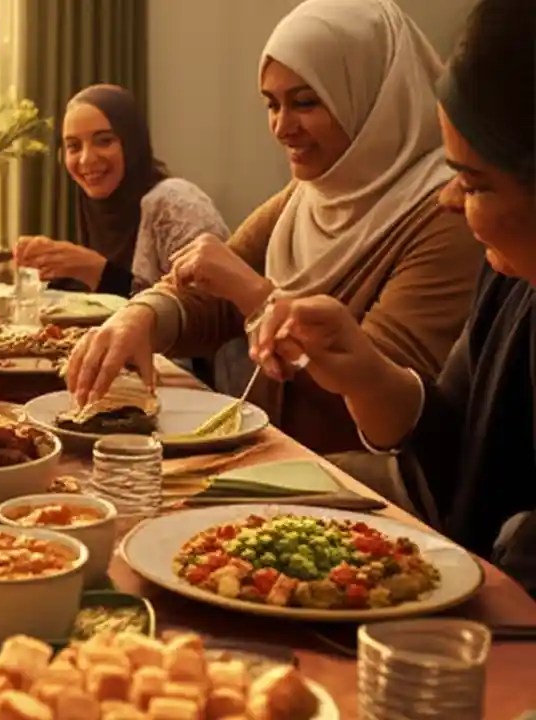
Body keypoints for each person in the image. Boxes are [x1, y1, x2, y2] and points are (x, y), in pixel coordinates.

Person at [66, 0, 483, 457]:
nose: (283, 127)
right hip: (279, 465)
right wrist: (139, 316)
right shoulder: (310, 195)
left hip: (366, 494)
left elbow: (388, 401)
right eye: (272, 104)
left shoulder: (449, 212)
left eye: (304, 102)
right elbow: (206, 286)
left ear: (373, 95)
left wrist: (256, 298)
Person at [248, 0, 535, 594]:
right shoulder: (509, 281)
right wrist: (369, 376)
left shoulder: (452, 235)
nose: (449, 200)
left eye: (474, 183)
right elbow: (457, 442)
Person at [14, 84, 228, 296]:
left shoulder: (175, 203)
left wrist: (96, 270)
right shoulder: (90, 204)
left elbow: (209, 307)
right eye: (74, 146)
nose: (86, 159)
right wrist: (56, 264)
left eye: (104, 141)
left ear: (132, 144)